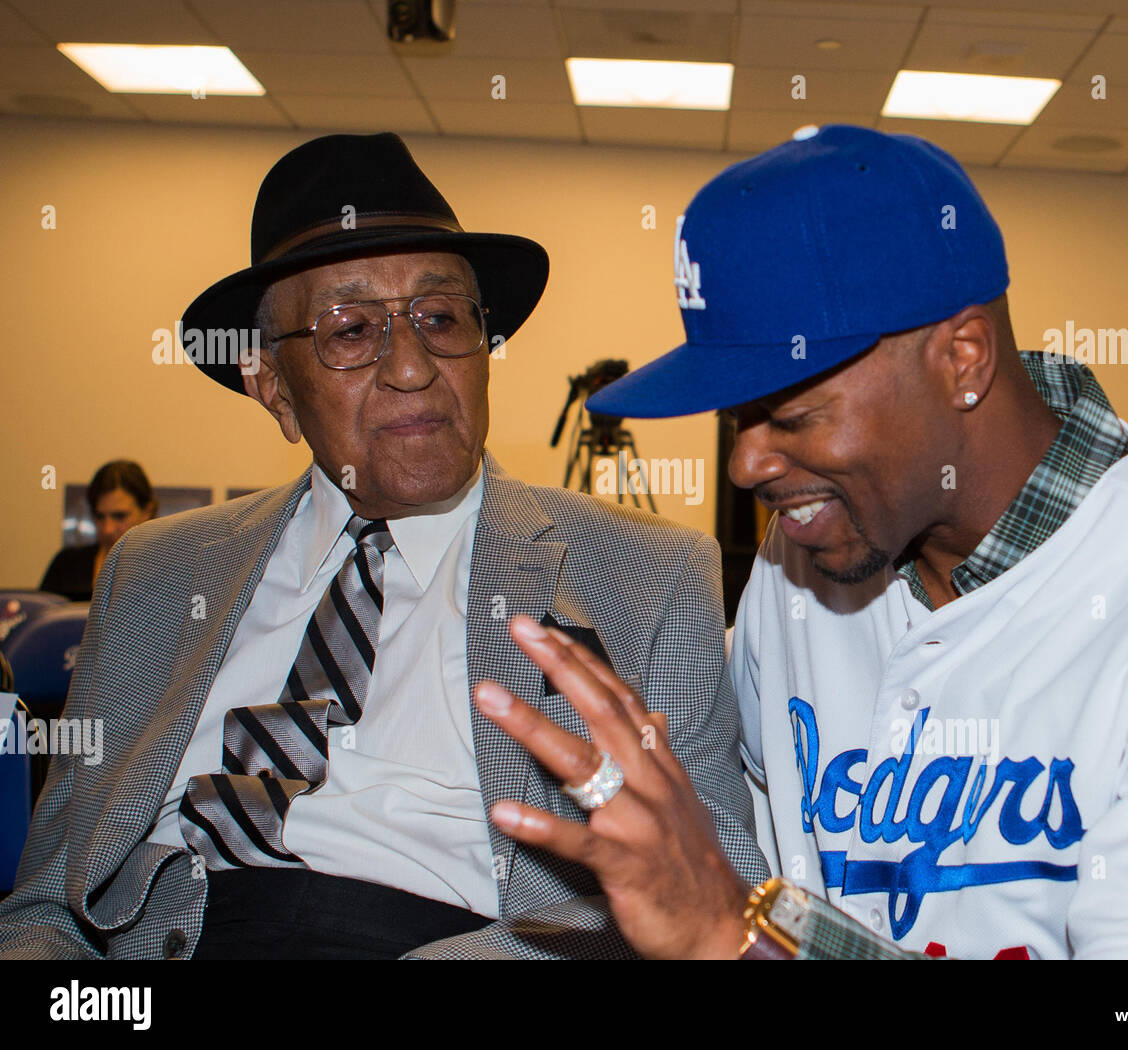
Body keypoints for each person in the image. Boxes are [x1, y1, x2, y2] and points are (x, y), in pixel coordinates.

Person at [459, 124, 1128, 960]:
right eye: (734, 417)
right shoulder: (805, 564)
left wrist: (735, 934)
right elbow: (710, 804)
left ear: (963, 358)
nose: (747, 462)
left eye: (790, 415)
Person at [0, 132, 766, 960]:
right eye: (351, 330)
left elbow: (710, 896)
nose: (411, 366)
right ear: (271, 385)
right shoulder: (154, 575)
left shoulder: (646, 580)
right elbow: (45, 905)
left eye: (441, 318)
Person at [39, 460, 156, 601]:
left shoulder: (166, 569)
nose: (108, 529)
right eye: (99, 516)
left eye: (119, 516)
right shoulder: (67, 565)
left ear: (147, 511)